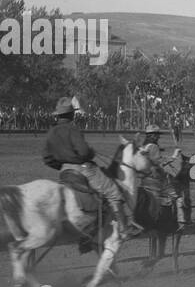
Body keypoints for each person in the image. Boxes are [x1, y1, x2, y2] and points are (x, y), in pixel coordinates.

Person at [43, 97, 141, 240]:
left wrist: (62, 165)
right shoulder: (72, 129)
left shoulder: (51, 132)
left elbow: (47, 158)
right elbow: (83, 152)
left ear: (58, 115)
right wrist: (91, 152)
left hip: (64, 172)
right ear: (72, 114)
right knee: (113, 191)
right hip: (83, 169)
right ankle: (124, 228)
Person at [123, 123, 192, 231]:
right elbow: (160, 163)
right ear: (152, 136)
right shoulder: (153, 146)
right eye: (156, 135)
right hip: (156, 181)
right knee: (178, 195)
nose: (158, 137)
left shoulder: (143, 146)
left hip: (144, 181)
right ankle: (181, 221)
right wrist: (174, 155)